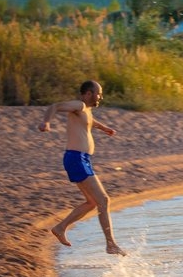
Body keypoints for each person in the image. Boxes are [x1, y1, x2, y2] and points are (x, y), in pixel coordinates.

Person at [38, 80, 125, 255]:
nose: (100, 96)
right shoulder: (78, 105)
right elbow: (55, 106)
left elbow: (90, 121)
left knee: (92, 202)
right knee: (104, 200)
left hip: (81, 159)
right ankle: (111, 244)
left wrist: (104, 128)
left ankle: (60, 228)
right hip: (76, 159)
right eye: (98, 93)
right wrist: (46, 122)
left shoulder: (86, 111)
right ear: (87, 94)